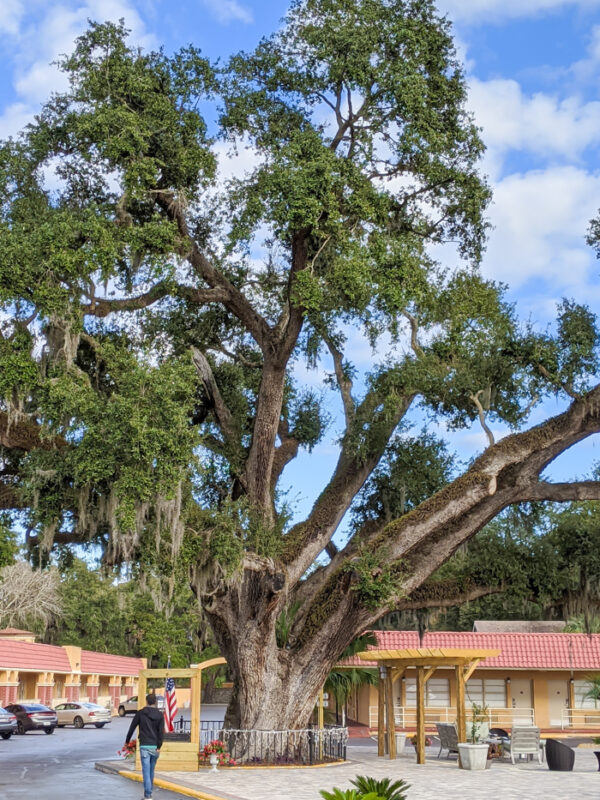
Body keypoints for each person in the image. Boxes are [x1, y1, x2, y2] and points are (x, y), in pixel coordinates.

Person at [124, 693, 164, 800]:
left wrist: (127, 741)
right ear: (155, 702)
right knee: (151, 771)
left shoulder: (140, 713)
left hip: (144, 745)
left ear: (147, 701)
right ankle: (149, 792)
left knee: (146, 771)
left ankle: (148, 795)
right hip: (155, 746)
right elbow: (161, 733)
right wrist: (159, 746)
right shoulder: (160, 715)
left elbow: (132, 728)